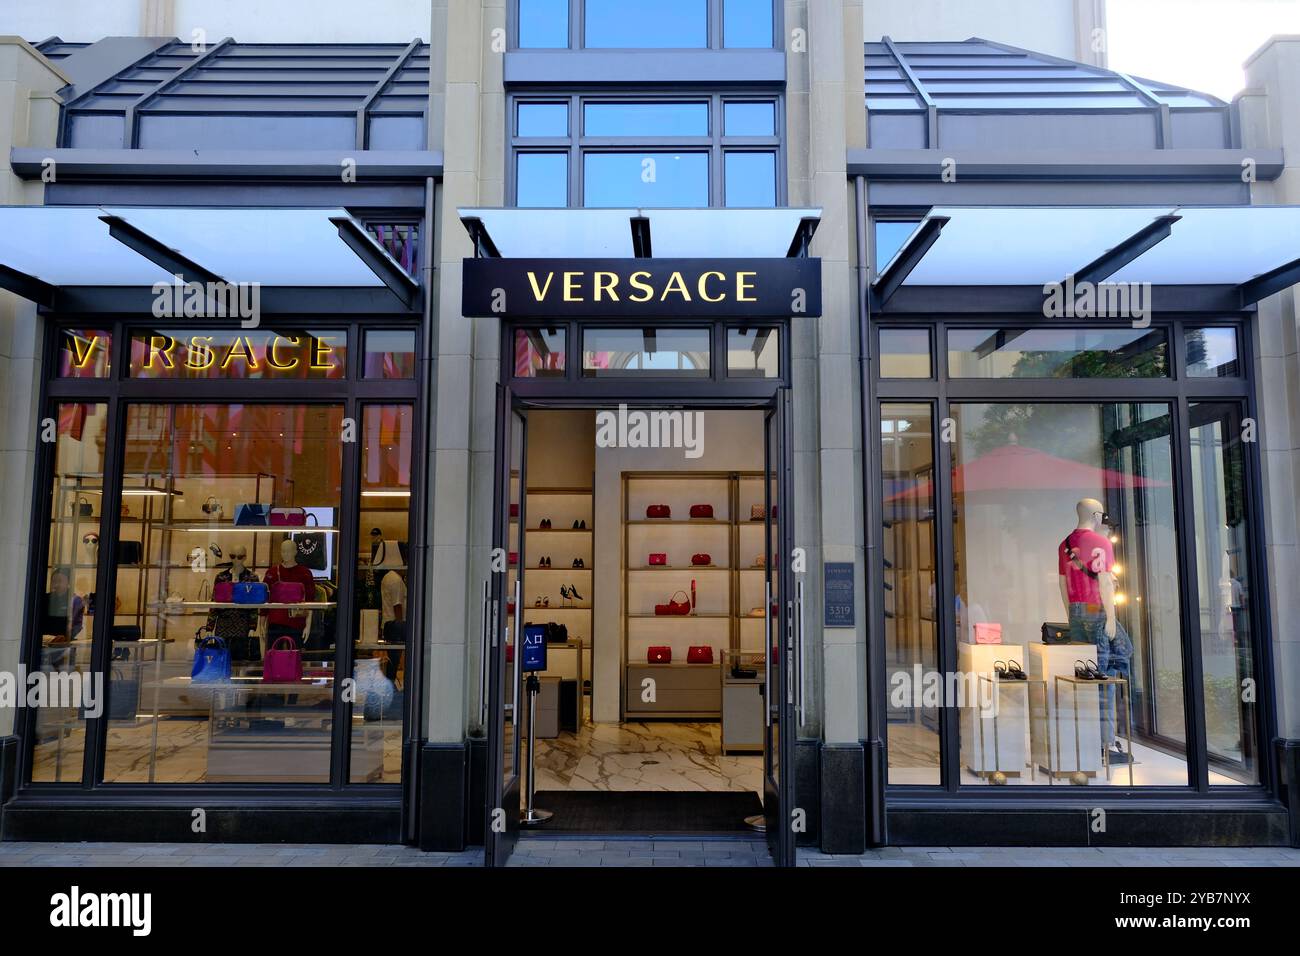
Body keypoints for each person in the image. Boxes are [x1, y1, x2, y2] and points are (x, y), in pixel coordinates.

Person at [1059, 498, 1134, 765]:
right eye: (1102, 513)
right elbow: (1104, 581)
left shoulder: (1065, 544)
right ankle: (1106, 742)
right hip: (1098, 610)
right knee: (1105, 675)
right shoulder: (1101, 543)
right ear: (1095, 514)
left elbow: (1062, 583)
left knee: (1083, 677)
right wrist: (1111, 617)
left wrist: (1071, 615)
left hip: (1078, 611)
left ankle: (1088, 738)